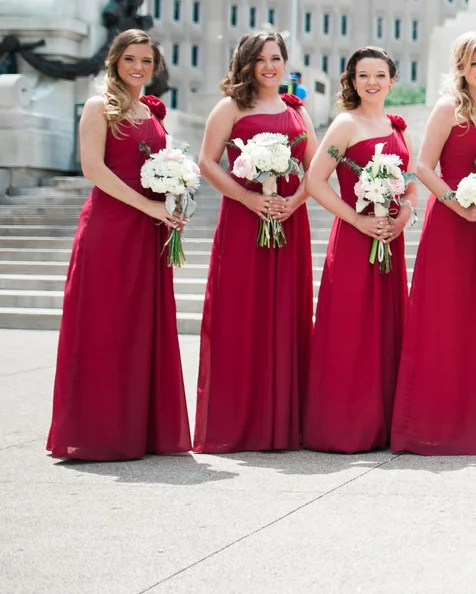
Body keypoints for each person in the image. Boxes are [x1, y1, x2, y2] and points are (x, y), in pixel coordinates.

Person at [47, 30, 192, 461]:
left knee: (140, 326)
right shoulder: (98, 107)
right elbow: (93, 169)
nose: (138, 67)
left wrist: (174, 202)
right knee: (105, 326)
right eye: (130, 58)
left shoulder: (152, 113)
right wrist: (148, 208)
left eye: (146, 61)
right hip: (110, 228)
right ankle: (99, 432)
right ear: (114, 60)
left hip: (150, 229)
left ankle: (141, 429)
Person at [391, 33, 476, 455]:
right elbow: (422, 167)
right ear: (461, 67)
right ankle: (432, 425)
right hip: (451, 224)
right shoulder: (449, 108)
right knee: (443, 320)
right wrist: (459, 206)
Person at [193, 30, 316, 453]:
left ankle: (284, 422)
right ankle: (238, 422)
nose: (269, 66)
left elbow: (314, 169)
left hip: (288, 223)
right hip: (244, 223)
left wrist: (294, 203)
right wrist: (249, 198)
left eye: (276, 58)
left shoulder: (297, 110)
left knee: (287, 313)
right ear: (245, 63)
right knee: (242, 313)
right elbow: (207, 163)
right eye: (260, 59)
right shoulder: (230, 107)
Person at [303, 48, 416, 453]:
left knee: (386, 329)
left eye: (380, 75)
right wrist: (357, 220)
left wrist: (402, 217)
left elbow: (411, 183)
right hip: (355, 238)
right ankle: (346, 426)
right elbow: (315, 182)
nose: (372, 82)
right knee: (351, 330)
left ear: (391, 80)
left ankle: (382, 425)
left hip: (389, 238)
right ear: (352, 81)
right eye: (363, 75)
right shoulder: (345, 125)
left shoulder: (397, 127)